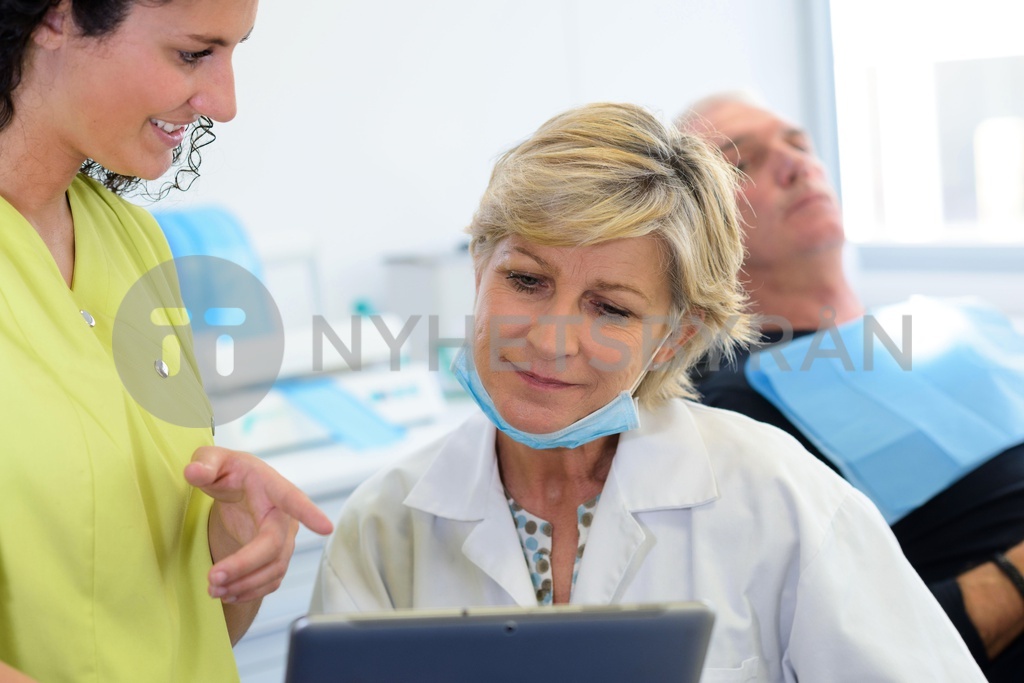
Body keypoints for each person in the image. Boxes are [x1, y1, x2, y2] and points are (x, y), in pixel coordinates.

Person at [308, 102, 986, 681]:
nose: (552, 338)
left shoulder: (784, 500)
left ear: (671, 336)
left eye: (611, 307)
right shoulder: (385, 524)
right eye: (526, 280)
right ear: (481, 263)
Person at [0, 1, 333, 681]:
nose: (226, 102)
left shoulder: (136, 244)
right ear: (54, 18)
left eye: (233, 52)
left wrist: (234, 542)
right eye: (192, 54)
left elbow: (195, 634)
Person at [678, 93, 1024, 680]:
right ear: (693, 232)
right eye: (742, 163)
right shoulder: (735, 410)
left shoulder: (945, 324)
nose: (795, 162)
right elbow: (865, 649)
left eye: (797, 142)